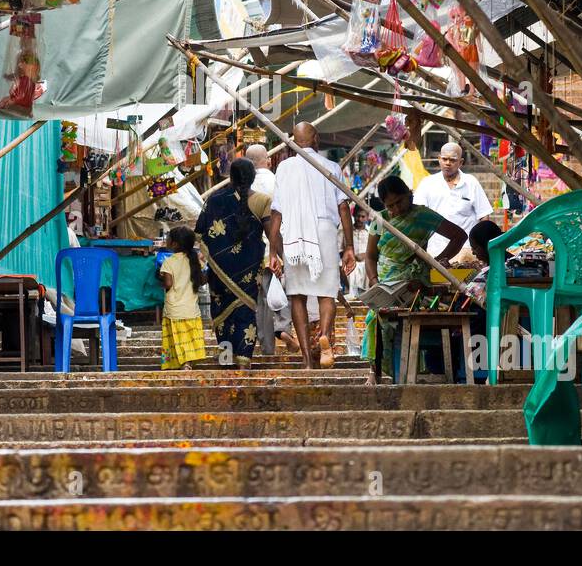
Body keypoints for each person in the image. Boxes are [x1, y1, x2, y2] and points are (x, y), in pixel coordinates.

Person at [267, 122, 356, 368]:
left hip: (295, 235)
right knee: (327, 292)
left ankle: (307, 359)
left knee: (297, 295)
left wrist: (273, 251)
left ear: (294, 142)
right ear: (316, 138)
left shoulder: (284, 168)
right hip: (325, 230)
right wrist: (349, 246)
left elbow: (277, 212)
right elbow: (343, 208)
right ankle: (325, 334)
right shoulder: (332, 167)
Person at [361, 175, 466, 377]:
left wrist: (435, 260)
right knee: (375, 319)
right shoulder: (380, 220)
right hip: (385, 282)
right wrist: (374, 282)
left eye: (399, 201)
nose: (397, 209)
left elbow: (459, 236)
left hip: (415, 283)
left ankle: (406, 371)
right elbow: (371, 256)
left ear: (409, 194)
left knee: (408, 321)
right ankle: (376, 373)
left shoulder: (423, 215)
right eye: (391, 206)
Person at [195, 158, 269, 367]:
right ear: (253, 177)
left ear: (231, 176)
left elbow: (200, 232)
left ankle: (225, 359)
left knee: (222, 314)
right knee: (245, 312)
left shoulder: (214, 199)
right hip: (250, 269)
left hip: (220, 270)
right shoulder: (263, 201)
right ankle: (244, 362)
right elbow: (272, 233)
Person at [414, 141, 493, 256]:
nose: (448, 163)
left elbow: (484, 216)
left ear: (460, 162)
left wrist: (481, 245)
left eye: (452, 160)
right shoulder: (427, 183)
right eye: (445, 159)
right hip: (435, 251)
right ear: (439, 159)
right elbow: (417, 217)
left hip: (466, 251)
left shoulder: (471, 183)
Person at [158, 227, 207, 370]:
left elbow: (168, 284)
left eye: (168, 238)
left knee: (176, 338)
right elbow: (203, 279)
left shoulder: (169, 262)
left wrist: (159, 280)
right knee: (189, 339)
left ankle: (175, 363)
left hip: (174, 309)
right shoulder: (195, 260)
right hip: (191, 309)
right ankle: (187, 362)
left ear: (174, 244)